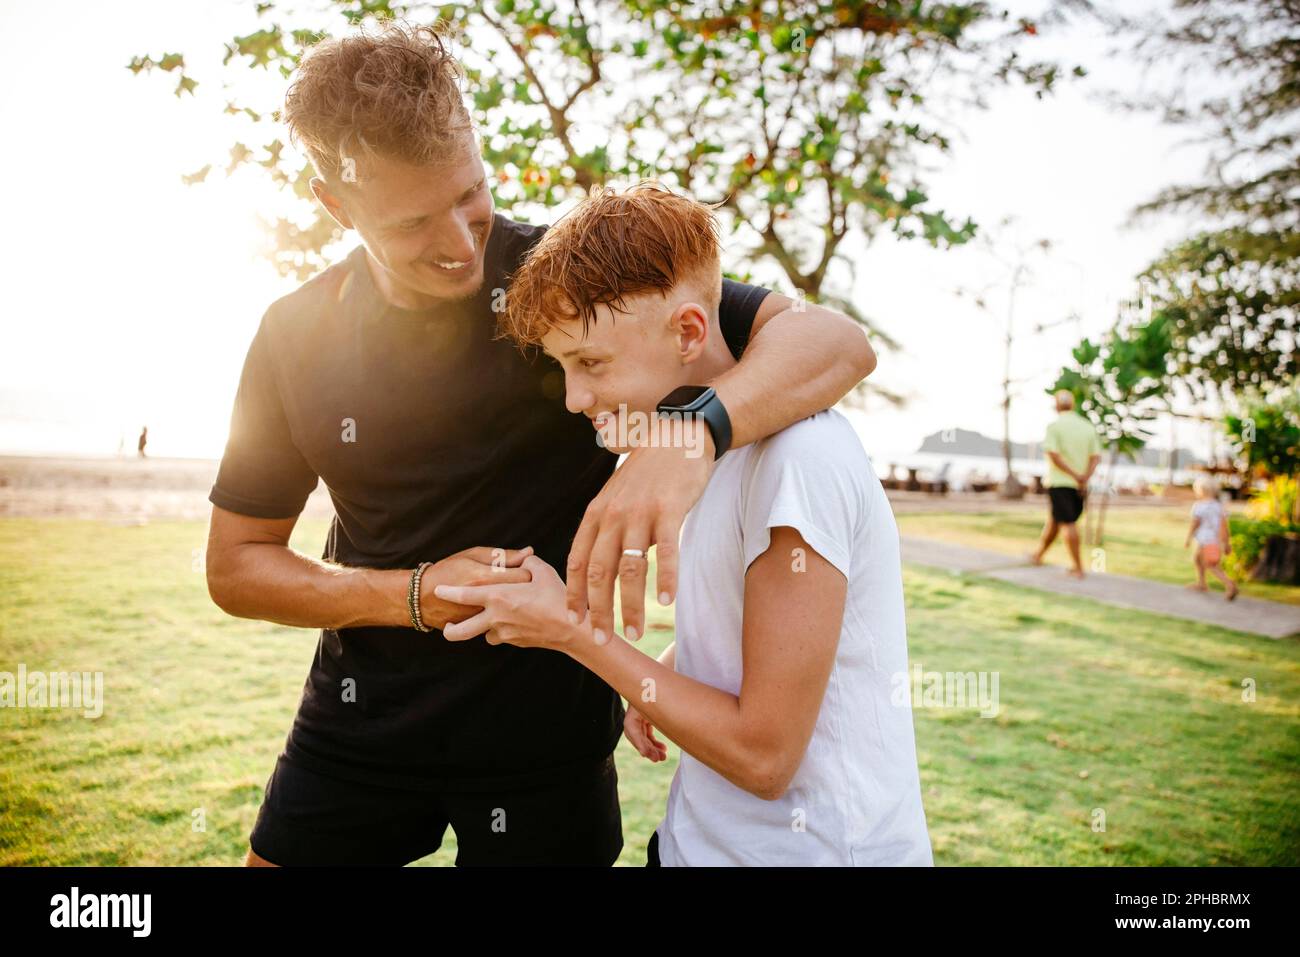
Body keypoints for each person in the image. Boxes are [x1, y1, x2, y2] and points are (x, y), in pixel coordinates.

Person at [203, 22, 877, 867]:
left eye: (470, 195)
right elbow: (236, 565)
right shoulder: (293, 334)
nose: (459, 244)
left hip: (551, 744)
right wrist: (409, 594)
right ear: (336, 206)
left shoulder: (570, 285)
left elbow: (835, 342)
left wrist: (690, 434)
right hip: (360, 723)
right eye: (415, 221)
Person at [437, 183, 933, 867]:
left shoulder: (799, 460)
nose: (575, 397)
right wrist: (671, 669)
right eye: (563, 368)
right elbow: (755, 636)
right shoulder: (697, 450)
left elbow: (765, 757)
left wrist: (572, 631)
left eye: (591, 362)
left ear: (690, 331)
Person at [1029, 390, 1101, 578]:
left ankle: (1078, 567)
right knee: (1055, 520)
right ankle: (1038, 555)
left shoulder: (1054, 426)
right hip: (1079, 485)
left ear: (1056, 406)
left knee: (1067, 523)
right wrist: (1084, 476)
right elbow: (1095, 457)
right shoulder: (1087, 427)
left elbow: (1053, 455)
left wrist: (1075, 475)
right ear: (1073, 404)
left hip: (1061, 482)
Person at [1185, 476, 1238, 600]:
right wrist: (1226, 542)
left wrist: (1188, 538)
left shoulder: (1199, 506)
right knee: (1197, 559)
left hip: (1204, 539)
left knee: (1211, 565)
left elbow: (1195, 523)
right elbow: (1224, 526)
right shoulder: (1219, 506)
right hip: (1214, 539)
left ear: (1201, 490)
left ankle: (1230, 584)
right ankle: (1201, 583)